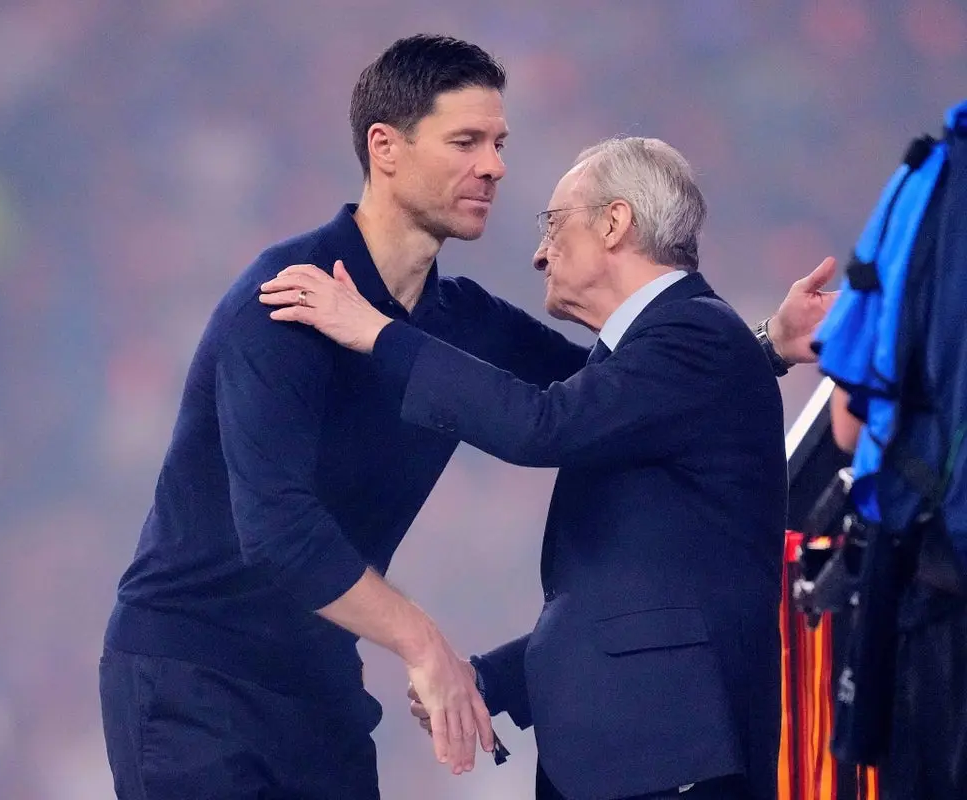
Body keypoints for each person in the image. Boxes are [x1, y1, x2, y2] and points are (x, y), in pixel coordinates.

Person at [101, 34, 831, 800]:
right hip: (195, 675)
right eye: (466, 142)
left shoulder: (465, 321)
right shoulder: (290, 298)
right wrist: (423, 643)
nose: (494, 166)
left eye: (499, 143)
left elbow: (608, 402)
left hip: (319, 684)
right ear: (385, 148)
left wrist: (759, 348)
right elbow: (276, 529)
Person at [260, 136, 793, 799]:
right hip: (642, 758)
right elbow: (627, 598)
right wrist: (495, 680)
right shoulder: (668, 356)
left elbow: (539, 424)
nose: (541, 252)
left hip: (669, 760)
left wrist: (377, 333)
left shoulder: (693, 336)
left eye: (554, 223)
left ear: (614, 223)